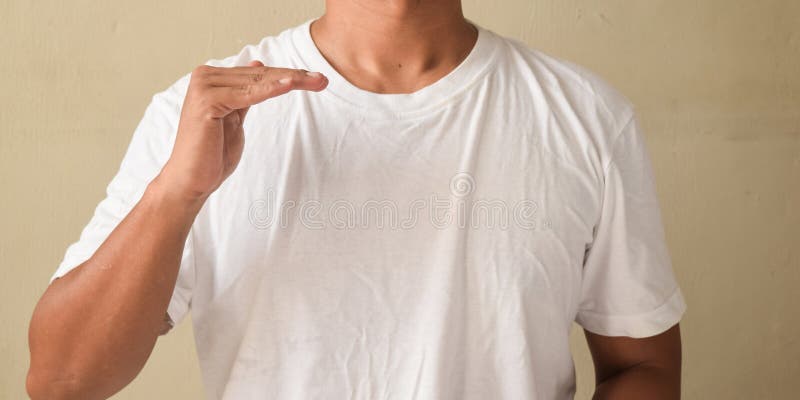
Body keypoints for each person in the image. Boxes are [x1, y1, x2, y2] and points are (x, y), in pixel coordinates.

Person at [26, 1, 687, 399]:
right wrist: (178, 192)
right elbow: (61, 382)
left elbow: (643, 365)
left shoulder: (586, 118)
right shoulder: (198, 115)